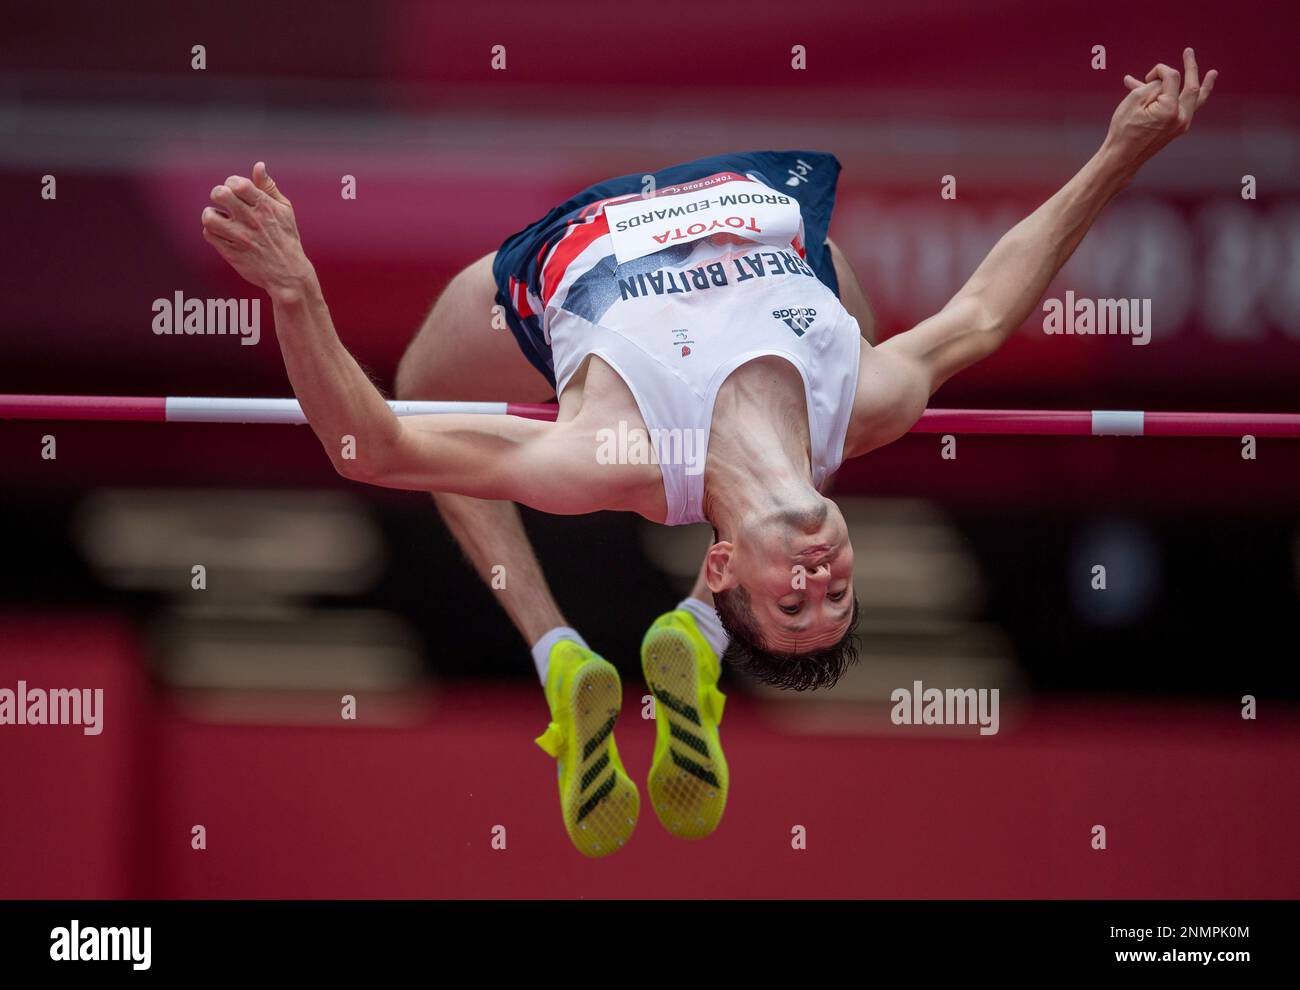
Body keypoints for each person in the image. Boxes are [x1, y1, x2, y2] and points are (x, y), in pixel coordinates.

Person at [201, 50, 1215, 856]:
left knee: (425, 389)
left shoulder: (614, 454)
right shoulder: (867, 398)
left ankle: (557, 654)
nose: (819, 582)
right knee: (845, 336)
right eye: (837, 598)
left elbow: (366, 444)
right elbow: (987, 309)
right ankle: (697, 634)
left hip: (580, 242)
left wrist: (297, 293)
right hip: (754, 206)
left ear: (724, 562)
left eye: (792, 603)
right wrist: (1122, 150)